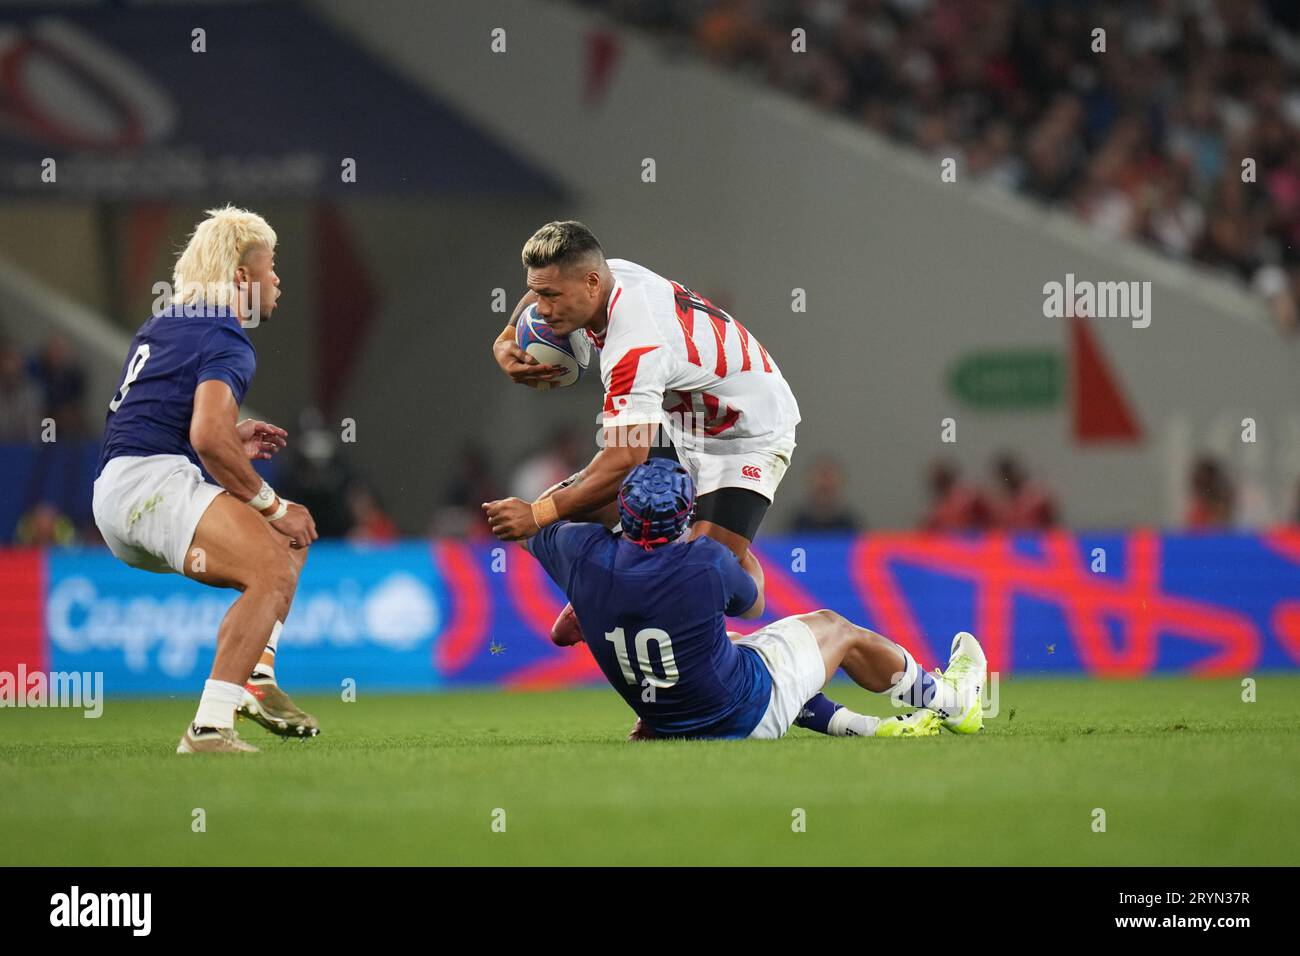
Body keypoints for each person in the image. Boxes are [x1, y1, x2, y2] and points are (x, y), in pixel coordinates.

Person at [484, 220, 858, 733]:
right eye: (537, 294)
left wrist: (537, 513)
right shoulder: (606, 278)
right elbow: (532, 303)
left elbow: (623, 462)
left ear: (591, 284)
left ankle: (673, 688)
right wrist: (505, 341)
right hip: (683, 421)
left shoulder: (634, 344)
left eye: (551, 296)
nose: (542, 309)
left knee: (705, 585)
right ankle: (619, 617)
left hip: (745, 434)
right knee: (583, 506)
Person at [508, 459, 987, 741]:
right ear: (684, 513)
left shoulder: (577, 554)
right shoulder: (704, 561)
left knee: (736, 645)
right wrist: (737, 543)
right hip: (742, 709)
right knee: (835, 630)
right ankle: (952, 701)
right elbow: (754, 600)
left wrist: (582, 484)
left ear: (623, 508)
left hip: (667, 720)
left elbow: (536, 520)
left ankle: (867, 728)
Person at [91, 205, 320, 754]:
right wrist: (269, 502)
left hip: (120, 490)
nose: (277, 279)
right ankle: (210, 728)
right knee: (277, 546)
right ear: (242, 277)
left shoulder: (166, 321)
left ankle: (257, 675)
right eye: (272, 266)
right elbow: (206, 438)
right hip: (150, 485)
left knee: (286, 543)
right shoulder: (225, 334)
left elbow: (161, 418)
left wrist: (227, 438)